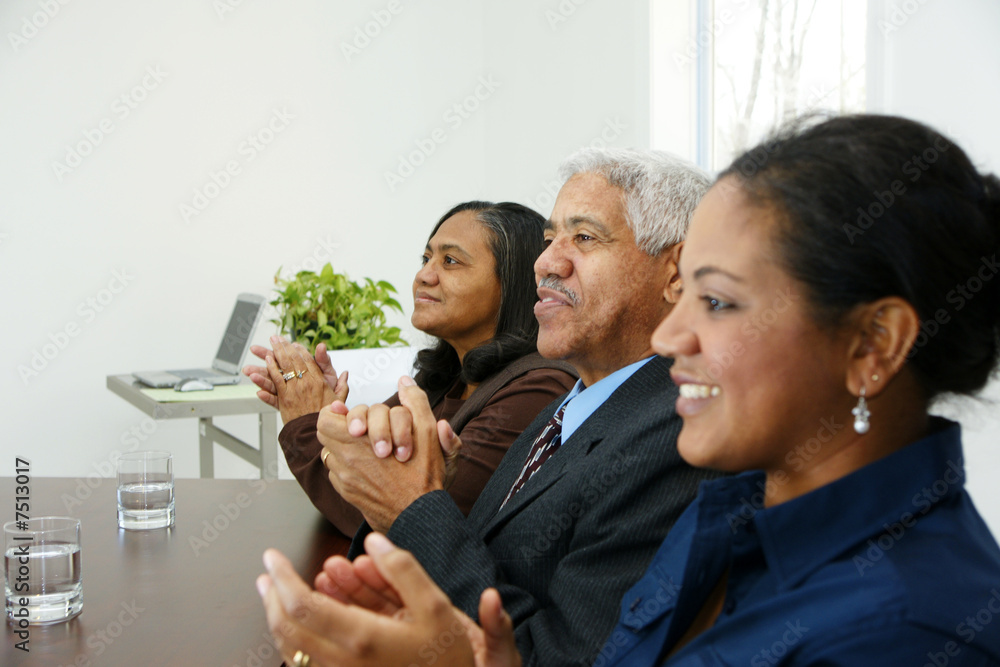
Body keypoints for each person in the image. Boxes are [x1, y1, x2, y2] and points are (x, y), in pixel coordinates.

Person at [256, 114, 1000, 666]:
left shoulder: (904, 630)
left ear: (872, 346)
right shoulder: (736, 509)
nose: (673, 338)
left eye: (718, 301)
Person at [313, 148, 720, 666]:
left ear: (676, 272)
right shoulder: (565, 410)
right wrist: (401, 492)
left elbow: (553, 657)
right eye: (549, 240)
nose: (546, 263)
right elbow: (487, 567)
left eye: (584, 238)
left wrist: (411, 504)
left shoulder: (679, 436)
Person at [243, 201, 577, 536]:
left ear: (513, 283)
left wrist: (308, 421)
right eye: (426, 259)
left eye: (450, 261)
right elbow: (369, 465)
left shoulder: (538, 390)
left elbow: (392, 519)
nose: (424, 275)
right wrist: (330, 413)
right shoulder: (445, 378)